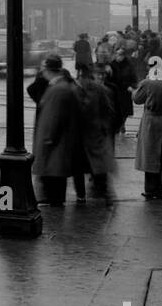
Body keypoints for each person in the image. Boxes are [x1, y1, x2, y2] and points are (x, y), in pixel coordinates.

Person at [32, 54, 82, 207]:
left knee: (53, 180)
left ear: (47, 70)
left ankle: (53, 209)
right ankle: (53, 203)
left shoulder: (58, 89)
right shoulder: (60, 86)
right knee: (54, 179)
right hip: (59, 143)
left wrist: (48, 138)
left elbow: (53, 117)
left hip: (55, 144)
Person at [132, 64, 162, 200]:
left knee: (151, 155)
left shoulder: (147, 82)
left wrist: (134, 90)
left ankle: (153, 191)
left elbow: (137, 99)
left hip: (151, 124)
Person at [73, 67, 117, 203]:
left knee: (96, 165)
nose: (81, 80)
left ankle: (102, 191)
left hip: (94, 134)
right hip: (81, 135)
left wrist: (103, 126)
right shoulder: (75, 90)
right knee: (81, 166)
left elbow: (108, 112)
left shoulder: (100, 90)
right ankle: (83, 194)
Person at [106, 47, 135, 134]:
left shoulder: (128, 64)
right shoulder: (111, 65)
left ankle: (122, 124)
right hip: (115, 90)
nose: (119, 56)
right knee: (116, 110)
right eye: (118, 54)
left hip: (125, 90)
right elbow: (108, 77)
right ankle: (118, 125)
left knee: (125, 110)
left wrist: (132, 85)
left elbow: (133, 76)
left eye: (121, 55)